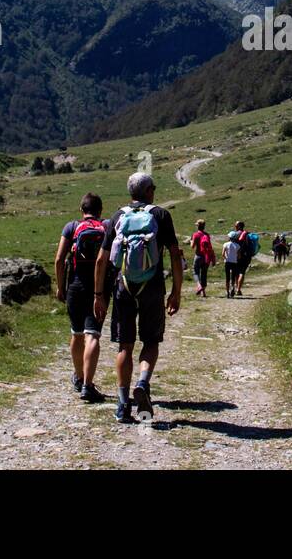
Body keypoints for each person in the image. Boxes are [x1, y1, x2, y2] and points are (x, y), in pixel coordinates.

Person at [93, 172, 183, 424]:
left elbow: (102, 260)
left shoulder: (117, 216)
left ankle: (123, 406)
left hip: (122, 286)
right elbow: (175, 255)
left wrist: (98, 295)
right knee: (151, 341)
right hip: (152, 286)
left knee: (125, 345)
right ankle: (142, 382)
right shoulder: (161, 215)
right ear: (149, 192)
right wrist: (177, 291)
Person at [53, 195, 111, 402]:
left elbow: (59, 259)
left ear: (81, 209)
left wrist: (61, 287)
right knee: (92, 334)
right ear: (101, 209)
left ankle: (78, 377)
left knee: (77, 333)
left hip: (75, 286)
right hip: (100, 287)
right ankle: (87, 384)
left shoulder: (71, 227)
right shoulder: (106, 226)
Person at [190, 220, 216, 296]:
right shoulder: (207, 235)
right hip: (206, 257)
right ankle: (203, 292)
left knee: (195, 272)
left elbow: (192, 246)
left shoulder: (196, 235)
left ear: (197, 226)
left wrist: (191, 240)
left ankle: (199, 286)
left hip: (198, 256)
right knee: (204, 273)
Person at [233, 221, 253, 297]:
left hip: (236, 256)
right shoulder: (247, 234)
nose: (235, 226)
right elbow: (249, 245)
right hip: (245, 256)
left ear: (238, 226)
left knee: (236, 273)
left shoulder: (234, 234)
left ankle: (236, 287)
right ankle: (238, 289)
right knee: (242, 272)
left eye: (236, 225)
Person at [223, 230, 242, 298]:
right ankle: (233, 288)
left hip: (227, 262)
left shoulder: (225, 244)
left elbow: (223, 254)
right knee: (233, 277)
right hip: (234, 263)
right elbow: (239, 256)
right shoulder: (238, 246)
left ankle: (227, 292)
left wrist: (226, 258)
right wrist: (235, 258)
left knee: (227, 278)